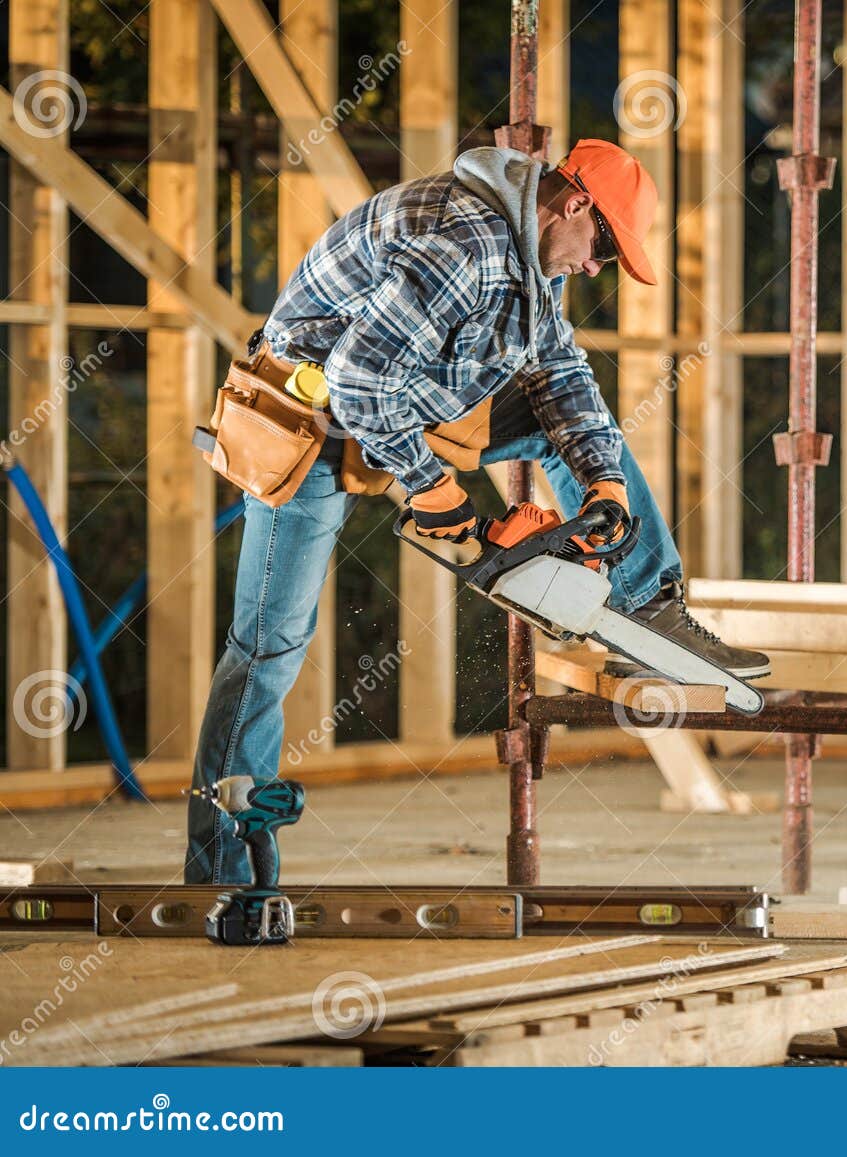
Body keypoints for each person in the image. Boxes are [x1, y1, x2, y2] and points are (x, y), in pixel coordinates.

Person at [185, 140, 767, 885]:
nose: (597, 267)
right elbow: (358, 381)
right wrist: (433, 490)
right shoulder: (465, 245)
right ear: (577, 202)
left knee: (578, 430)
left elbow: (558, 371)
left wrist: (604, 483)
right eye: (605, 248)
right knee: (268, 643)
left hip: (410, 394)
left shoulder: (532, 255)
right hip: (307, 422)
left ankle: (647, 601)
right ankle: (221, 871)